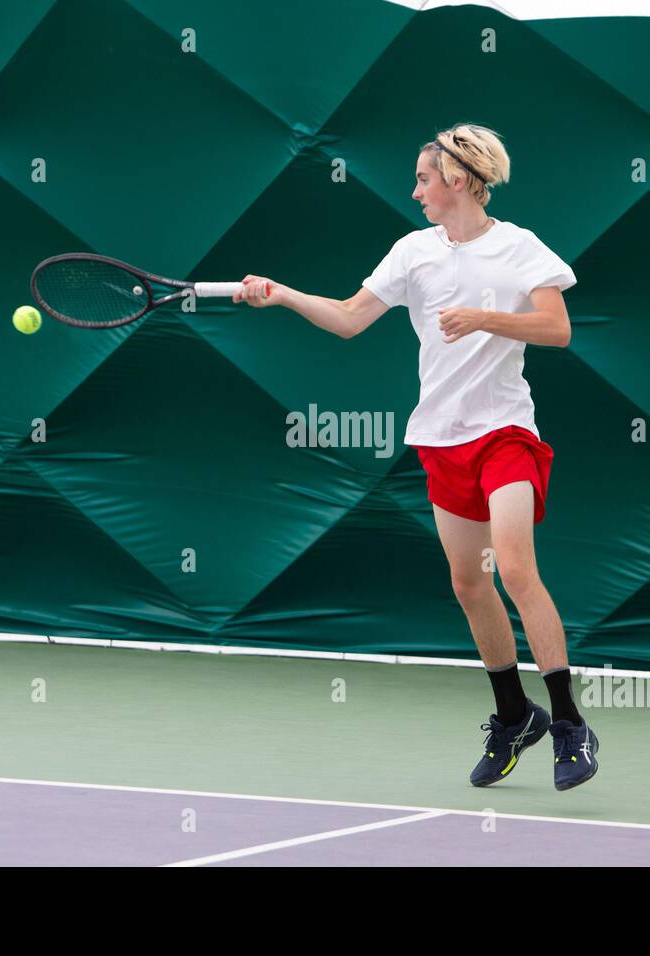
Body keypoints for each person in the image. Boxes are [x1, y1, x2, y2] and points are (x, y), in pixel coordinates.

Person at [233, 123, 597, 792]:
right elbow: (347, 317)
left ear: (458, 179)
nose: (416, 190)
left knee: (515, 568)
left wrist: (486, 317)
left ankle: (571, 724)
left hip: (505, 433)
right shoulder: (413, 252)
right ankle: (514, 715)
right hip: (441, 438)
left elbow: (558, 328)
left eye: (425, 178)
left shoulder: (520, 248)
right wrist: (281, 294)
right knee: (468, 583)